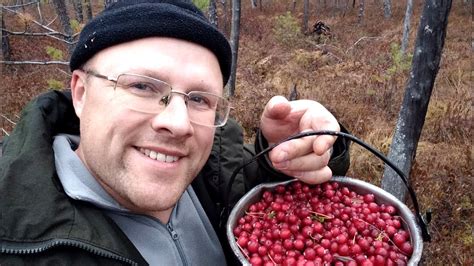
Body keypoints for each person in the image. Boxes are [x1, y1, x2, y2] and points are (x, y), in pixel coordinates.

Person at [0, 0, 350, 265]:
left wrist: (288, 153)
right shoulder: (15, 241)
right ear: (81, 93)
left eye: (199, 98)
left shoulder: (216, 170)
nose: (179, 123)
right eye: (142, 87)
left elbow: (264, 192)